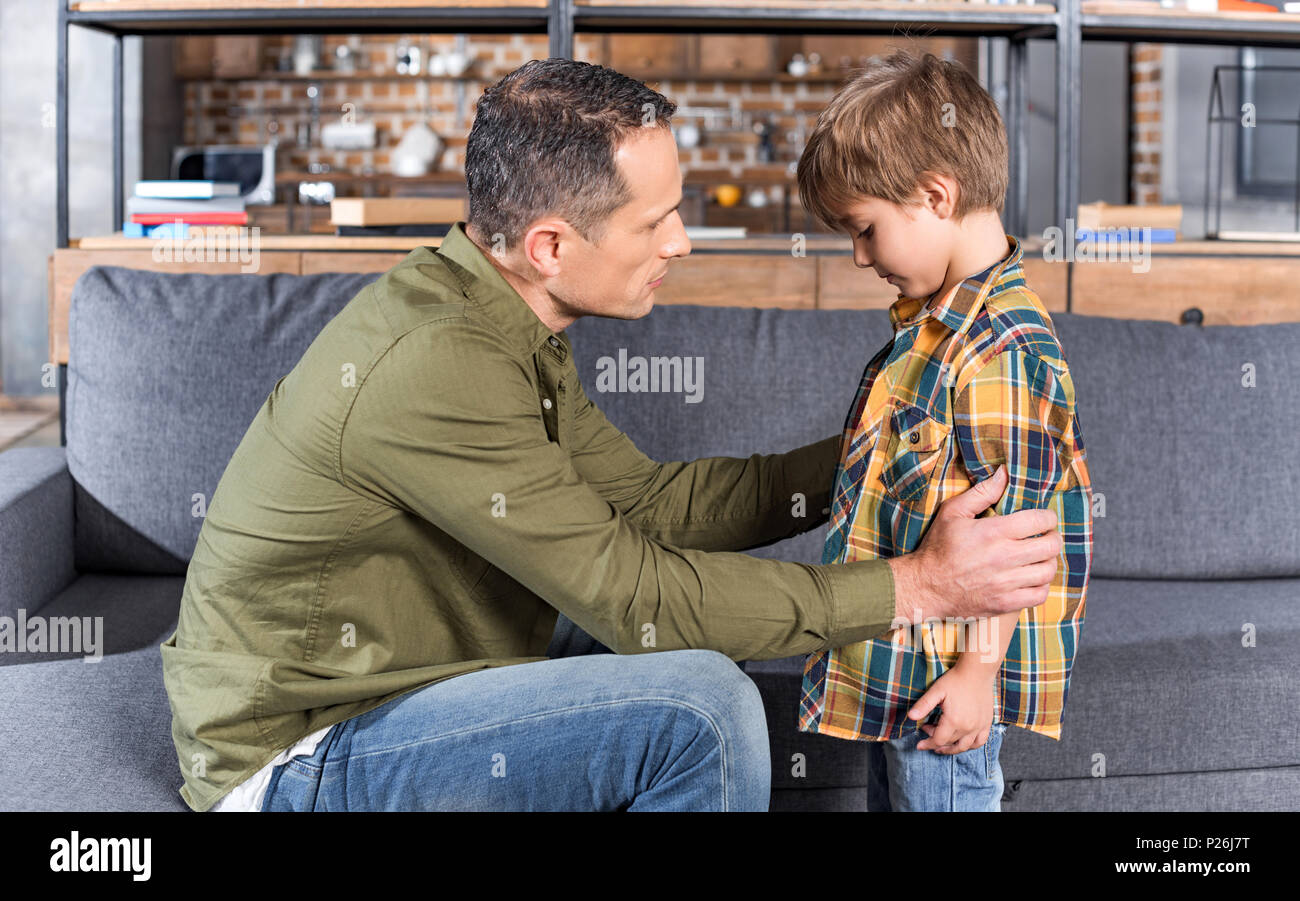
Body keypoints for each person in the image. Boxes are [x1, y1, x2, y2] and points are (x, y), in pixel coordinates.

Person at [160, 57, 1064, 812]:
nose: (683, 242)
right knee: (701, 707)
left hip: (410, 676)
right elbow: (641, 590)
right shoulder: (438, 363)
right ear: (551, 245)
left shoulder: (495, 313)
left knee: (676, 640)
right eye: (656, 220)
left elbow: (648, 506)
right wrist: (913, 586)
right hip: (298, 756)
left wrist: (874, 461)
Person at [795, 50, 1094, 811]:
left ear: (934, 194)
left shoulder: (1001, 348)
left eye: (864, 230)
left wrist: (977, 672)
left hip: (945, 681)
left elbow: (1021, 539)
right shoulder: (931, 330)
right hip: (900, 667)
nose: (860, 256)